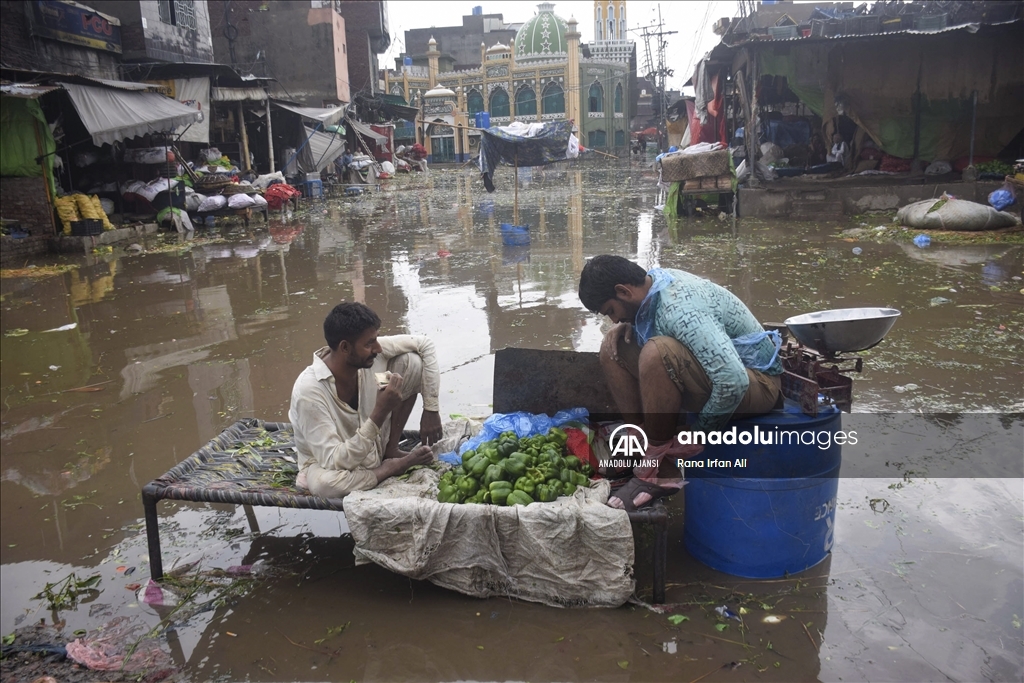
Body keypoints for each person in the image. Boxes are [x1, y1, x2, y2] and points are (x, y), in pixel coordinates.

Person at [578, 256, 784, 511]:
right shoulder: (653, 283)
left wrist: (698, 434)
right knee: (613, 347)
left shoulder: (679, 310)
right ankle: (643, 446)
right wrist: (630, 323)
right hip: (718, 373)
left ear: (623, 291)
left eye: (611, 311)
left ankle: (655, 466)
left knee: (656, 352)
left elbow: (733, 381)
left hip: (758, 384)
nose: (613, 319)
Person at [288, 302, 442, 498]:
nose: (377, 348)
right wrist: (379, 412)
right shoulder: (308, 391)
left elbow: (425, 344)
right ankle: (388, 468)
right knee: (325, 485)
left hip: (370, 444)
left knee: (412, 362)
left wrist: (431, 409)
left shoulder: (367, 354)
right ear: (345, 347)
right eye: (369, 343)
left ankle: (390, 450)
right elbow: (334, 460)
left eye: (376, 339)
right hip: (328, 462)